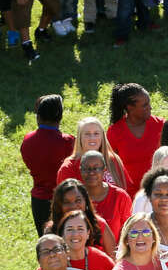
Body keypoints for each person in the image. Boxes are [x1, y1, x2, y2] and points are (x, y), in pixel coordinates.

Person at [22, 94, 75, 234]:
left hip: (39, 200)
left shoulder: (28, 140)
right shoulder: (67, 142)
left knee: (46, 242)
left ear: (38, 117)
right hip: (64, 199)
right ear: (60, 117)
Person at [107, 82, 165, 193]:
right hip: (128, 196)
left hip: (157, 191)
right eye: (145, 105)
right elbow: (109, 168)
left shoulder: (161, 125)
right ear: (130, 108)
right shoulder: (114, 132)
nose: (150, 107)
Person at [58, 116, 129, 191]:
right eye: (87, 134)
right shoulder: (68, 168)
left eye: (96, 133)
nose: (92, 138)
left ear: (102, 136)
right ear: (79, 137)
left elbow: (129, 190)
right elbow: (64, 200)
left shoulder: (113, 160)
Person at [50, 179, 118, 256]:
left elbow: (114, 259)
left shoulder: (99, 225)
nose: (73, 206)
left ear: (86, 202)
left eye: (78, 200)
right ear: (59, 206)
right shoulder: (52, 229)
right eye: (66, 202)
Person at [77, 150, 132, 234]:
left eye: (96, 168)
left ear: (104, 169)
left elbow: (128, 231)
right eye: (87, 169)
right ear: (80, 170)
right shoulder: (75, 197)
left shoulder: (120, 196)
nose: (91, 172)